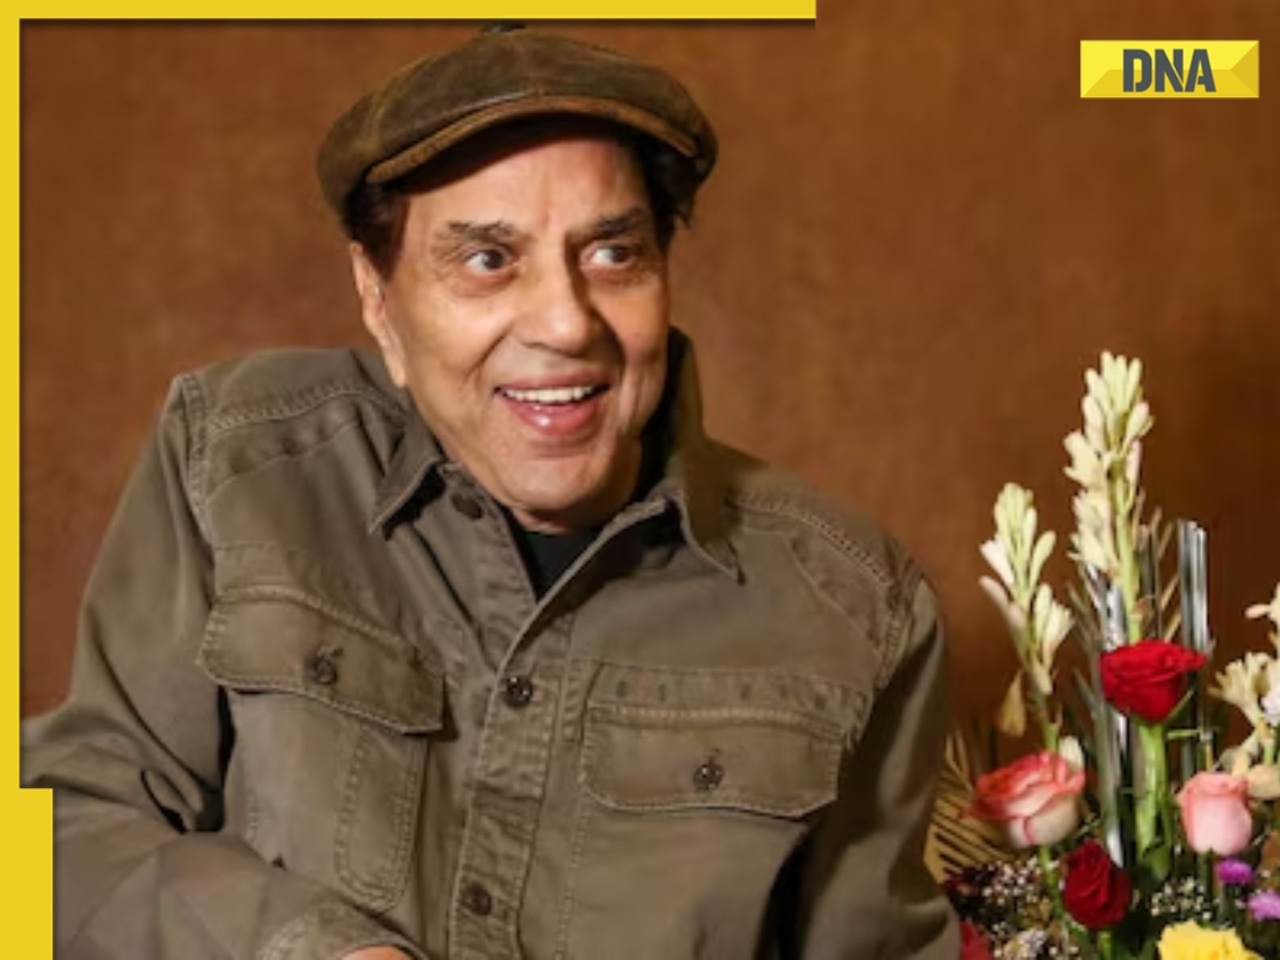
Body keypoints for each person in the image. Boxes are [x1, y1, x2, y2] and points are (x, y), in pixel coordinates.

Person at [23, 26, 959, 960]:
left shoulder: (858, 608)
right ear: (377, 298)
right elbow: (55, 840)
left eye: (613, 253)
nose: (565, 323)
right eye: (487, 260)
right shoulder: (238, 463)